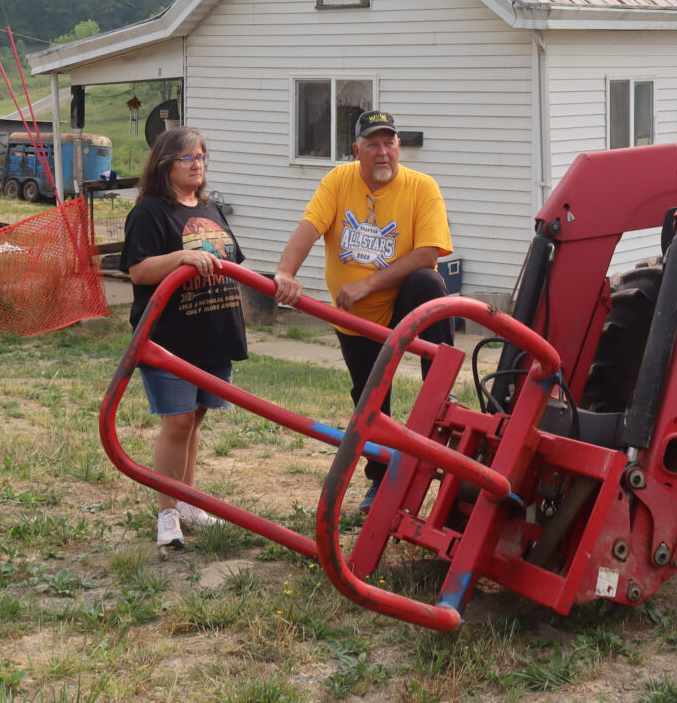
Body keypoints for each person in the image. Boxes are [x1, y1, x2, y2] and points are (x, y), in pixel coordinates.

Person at [273, 110, 452, 509]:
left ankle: (441, 390)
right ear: (356, 150)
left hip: (401, 304)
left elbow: (427, 253)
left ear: (399, 146)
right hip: (355, 319)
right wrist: (285, 273)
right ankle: (380, 481)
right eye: (372, 144)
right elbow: (309, 228)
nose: (382, 152)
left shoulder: (422, 187)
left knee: (429, 283)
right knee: (370, 400)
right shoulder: (339, 181)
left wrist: (367, 284)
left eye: (389, 143)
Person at [121, 125, 256, 548]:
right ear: (165, 164)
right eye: (187, 158)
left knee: (195, 419)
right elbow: (139, 270)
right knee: (177, 422)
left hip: (213, 331)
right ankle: (167, 514)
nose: (197, 164)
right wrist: (181, 256)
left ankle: (189, 501)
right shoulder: (150, 211)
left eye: (201, 157)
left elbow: (232, 259)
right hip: (171, 335)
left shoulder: (210, 208)